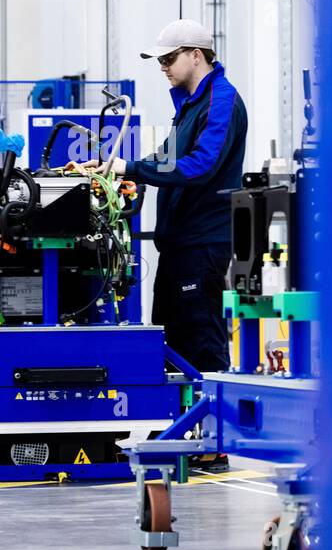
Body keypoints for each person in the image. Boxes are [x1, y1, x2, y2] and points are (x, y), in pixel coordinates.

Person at [85, 19, 248, 375]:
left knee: (202, 342)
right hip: (178, 245)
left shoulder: (221, 101)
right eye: (160, 61)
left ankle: (211, 423)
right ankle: (181, 428)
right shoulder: (189, 106)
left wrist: (130, 168)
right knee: (170, 339)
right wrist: (114, 170)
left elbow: (200, 165)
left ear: (195, 55)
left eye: (168, 59)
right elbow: (166, 159)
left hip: (203, 243)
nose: (162, 67)